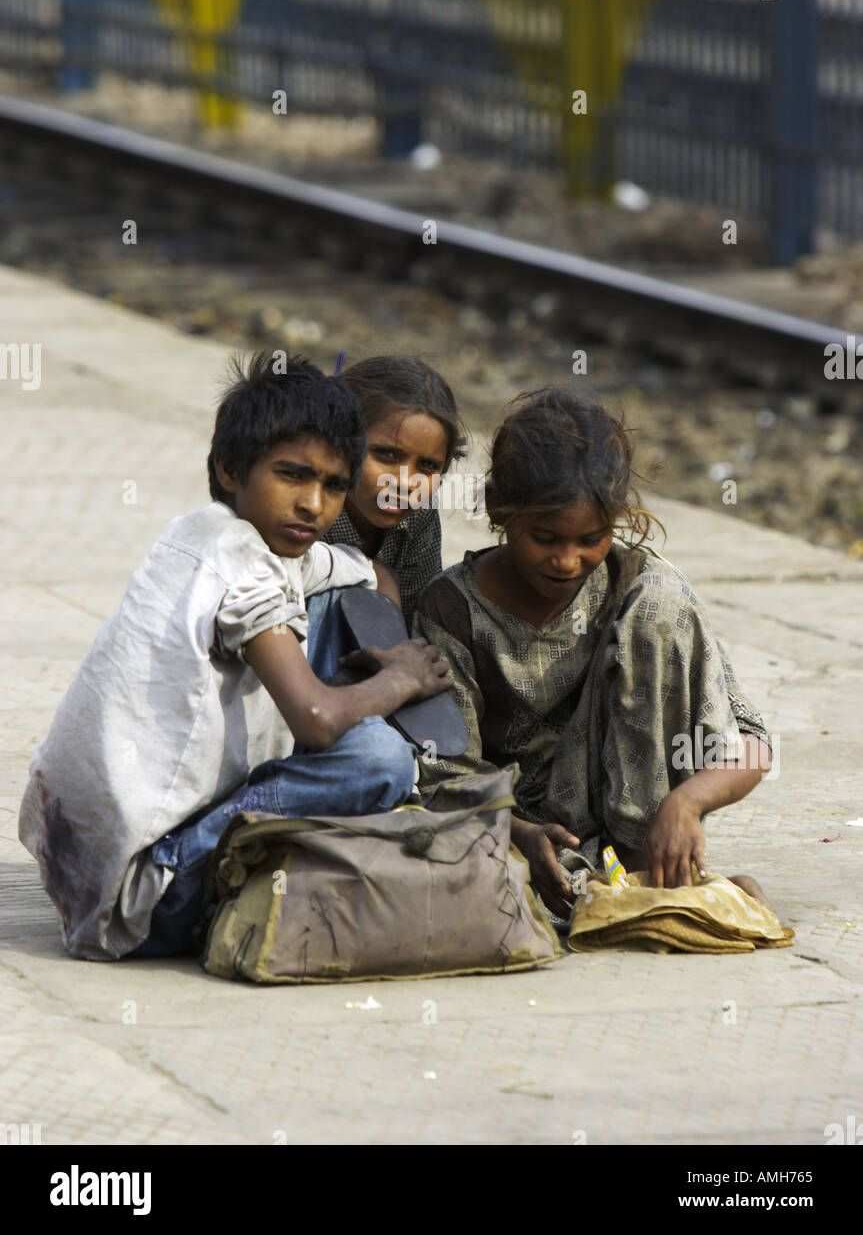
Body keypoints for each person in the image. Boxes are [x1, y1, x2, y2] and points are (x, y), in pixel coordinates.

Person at [19, 352, 452, 960]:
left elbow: (361, 571)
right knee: (379, 761)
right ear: (228, 468)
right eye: (293, 475)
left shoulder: (205, 529)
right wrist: (398, 681)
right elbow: (317, 720)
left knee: (342, 604)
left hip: (75, 863)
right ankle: (248, 849)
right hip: (140, 899)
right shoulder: (241, 563)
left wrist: (375, 595)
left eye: (333, 485)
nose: (314, 505)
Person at [412, 387, 772, 921]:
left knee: (660, 609)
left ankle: (642, 873)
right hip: (524, 831)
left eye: (591, 538)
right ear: (496, 509)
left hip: (639, 832)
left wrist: (687, 803)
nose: (567, 560)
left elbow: (752, 745)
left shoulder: (641, 584)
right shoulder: (453, 608)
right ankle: (638, 891)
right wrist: (521, 833)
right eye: (544, 537)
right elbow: (445, 773)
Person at [323, 356, 465, 627]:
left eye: (427, 466)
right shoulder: (313, 505)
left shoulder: (419, 517)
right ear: (339, 442)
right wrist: (377, 576)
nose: (406, 482)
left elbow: (417, 621)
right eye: (386, 454)